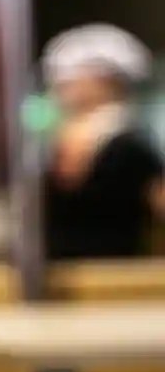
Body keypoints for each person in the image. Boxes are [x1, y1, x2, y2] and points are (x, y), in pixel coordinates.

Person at [42, 24, 165, 261]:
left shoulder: (130, 146)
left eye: (73, 78)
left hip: (113, 276)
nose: (61, 86)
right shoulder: (58, 140)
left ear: (106, 81)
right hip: (59, 276)